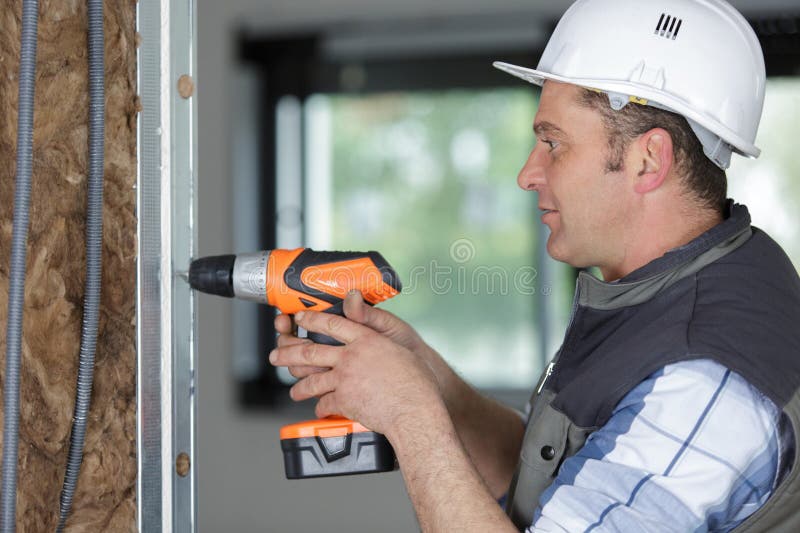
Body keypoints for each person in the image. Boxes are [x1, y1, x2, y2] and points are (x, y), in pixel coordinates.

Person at [269, 0, 800, 531]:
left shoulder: (706, 373)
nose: (527, 174)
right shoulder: (666, 297)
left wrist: (409, 415)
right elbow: (561, 486)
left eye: (553, 143)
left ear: (647, 160)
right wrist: (429, 382)